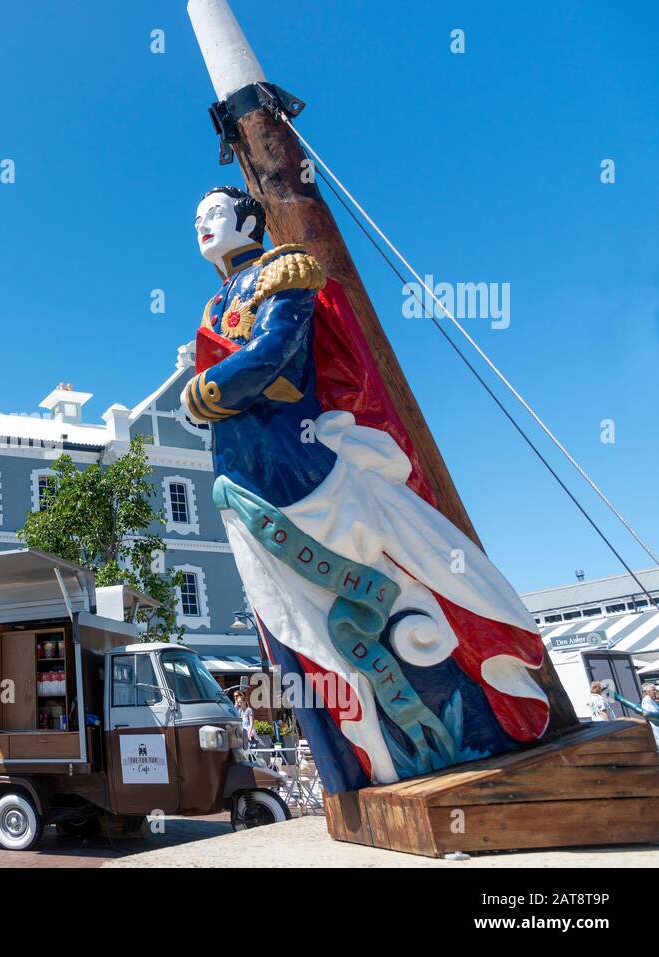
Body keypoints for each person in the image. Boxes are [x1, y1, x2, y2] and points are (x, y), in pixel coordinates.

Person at [184, 184, 552, 794]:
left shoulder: (284, 271)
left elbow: (272, 354)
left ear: (251, 218)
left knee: (366, 593)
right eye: (197, 219)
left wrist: (204, 394)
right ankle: (361, 760)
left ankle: (455, 730)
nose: (203, 225)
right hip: (244, 475)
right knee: (291, 626)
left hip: (294, 467)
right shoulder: (213, 305)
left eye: (216, 213)